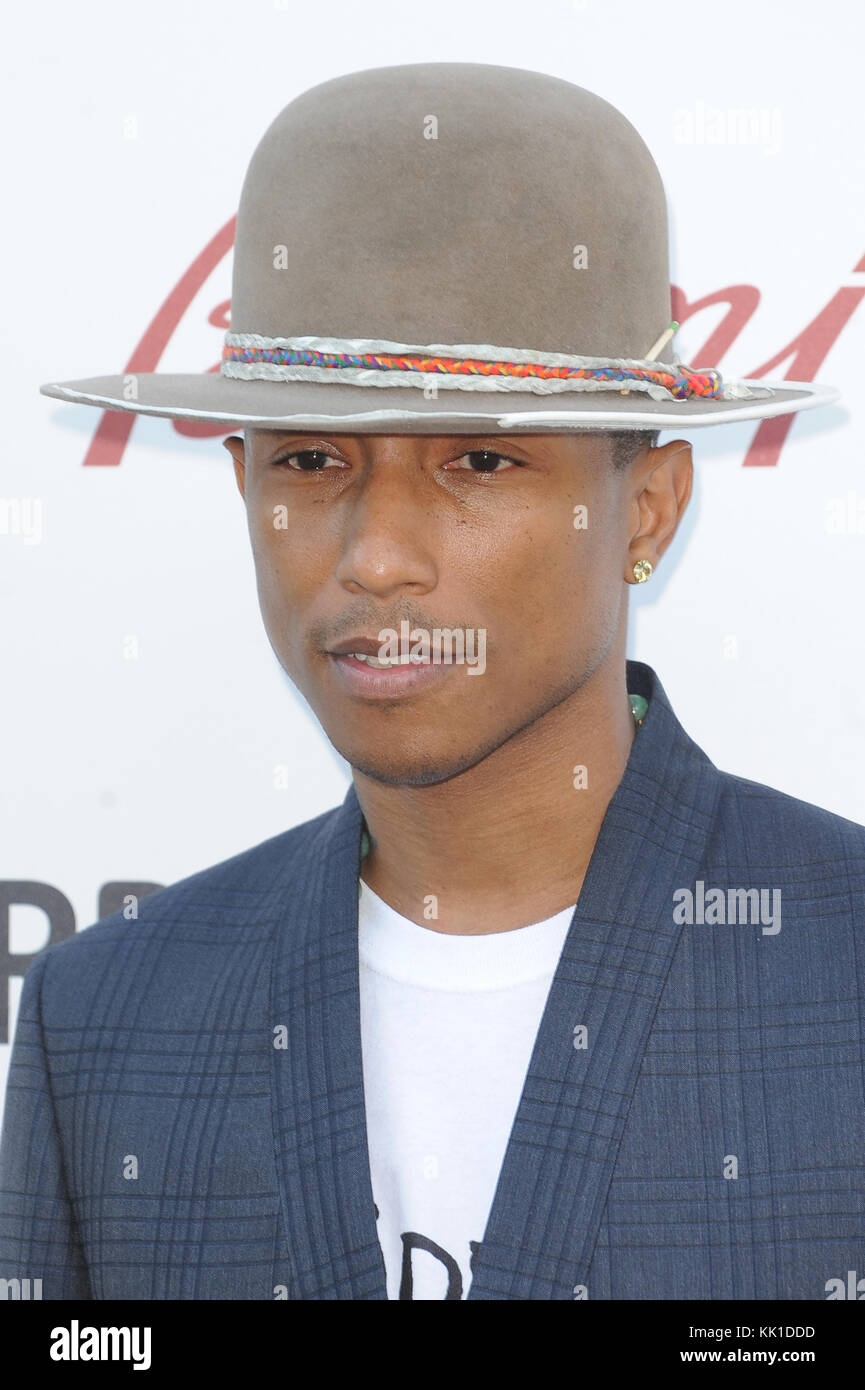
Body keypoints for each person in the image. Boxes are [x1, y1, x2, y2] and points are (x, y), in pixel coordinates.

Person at [2, 62, 861, 1302]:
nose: (376, 557)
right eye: (308, 455)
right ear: (242, 488)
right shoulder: (109, 1017)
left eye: (477, 458)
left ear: (651, 509)